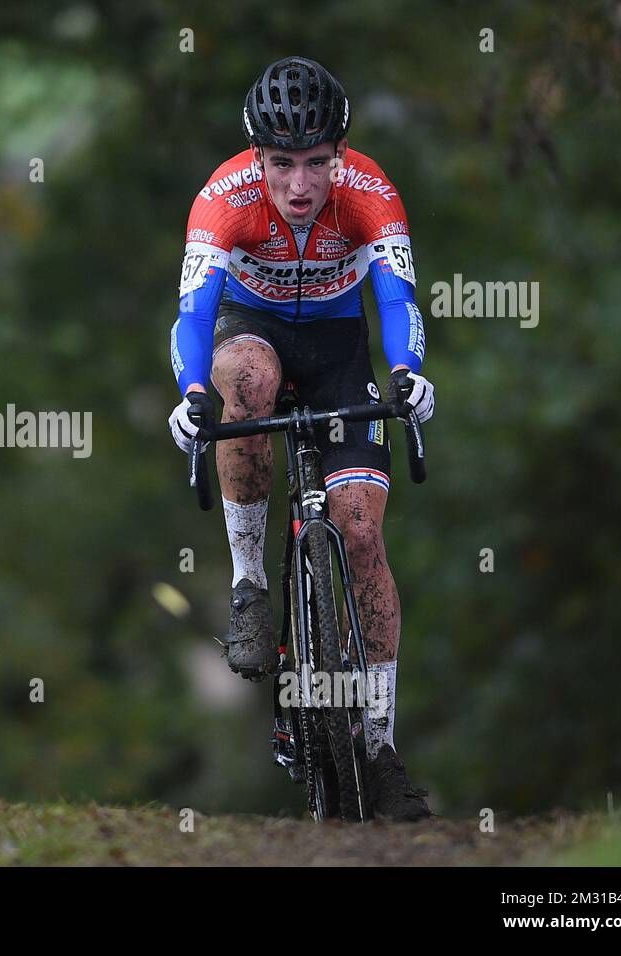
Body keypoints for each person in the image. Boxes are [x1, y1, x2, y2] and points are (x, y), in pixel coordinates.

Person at [166, 56, 435, 821]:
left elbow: (398, 298)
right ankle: (250, 583)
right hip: (251, 334)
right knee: (241, 384)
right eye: (282, 164)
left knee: (359, 537)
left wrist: (409, 372)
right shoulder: (223, 201)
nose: (299, 185)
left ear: (340, 155)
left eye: (317, 163)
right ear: (257, 159)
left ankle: (379, 751)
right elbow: (191, 315)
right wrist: (192, 393)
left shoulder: (372, 194)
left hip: (340, 352)